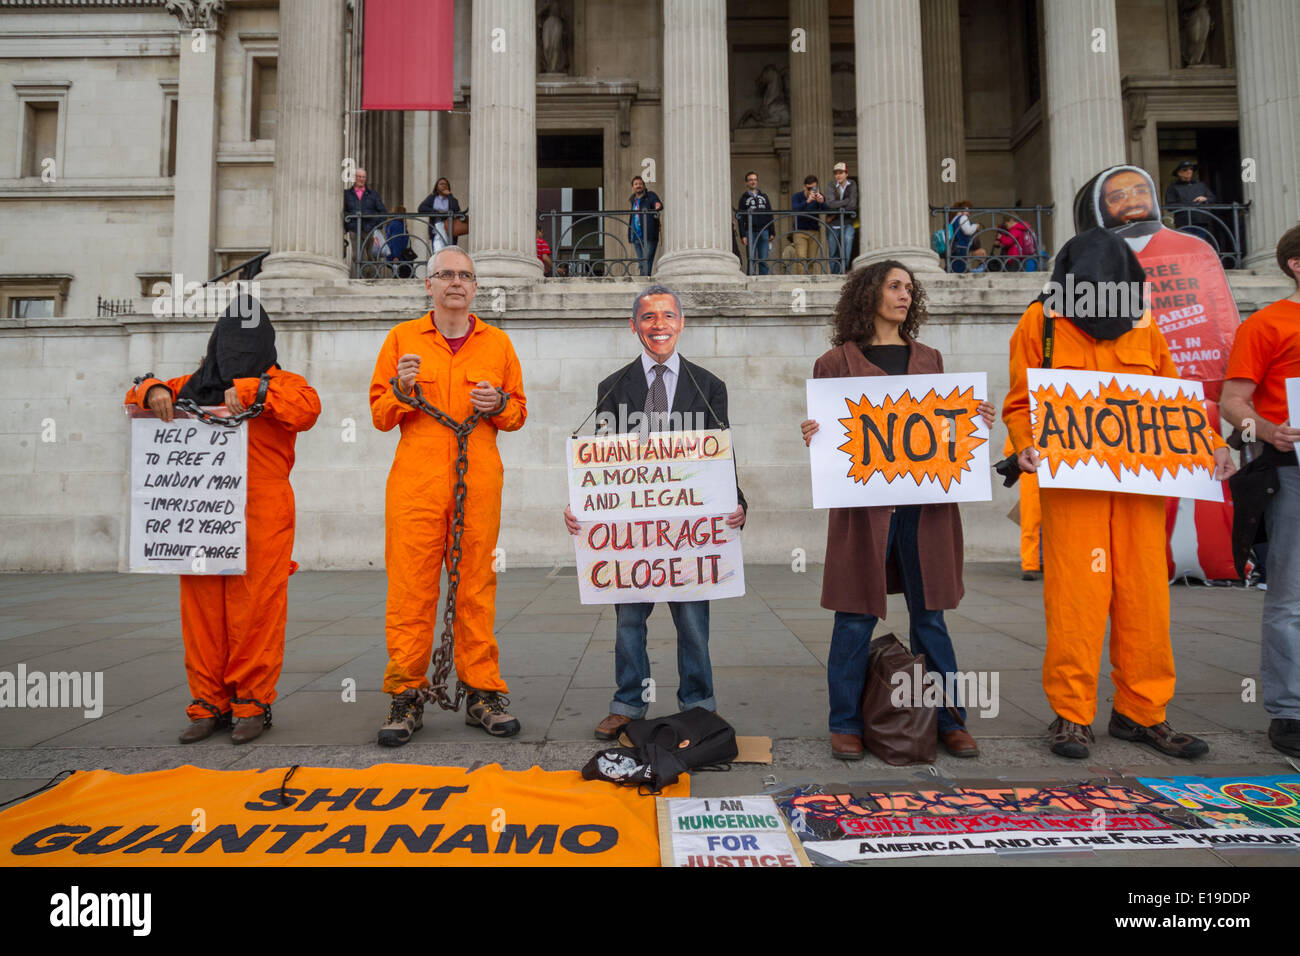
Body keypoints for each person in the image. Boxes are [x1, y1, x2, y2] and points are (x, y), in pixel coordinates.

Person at [1004, 227, 1236, 760]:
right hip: (1075, 485)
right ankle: (1071, 715)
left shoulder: (1145, 324)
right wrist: (1024, 445)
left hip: (1139, 488)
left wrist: (1213, 445)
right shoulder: (1038, 323)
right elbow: (1020, 403)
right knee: (1076, 600)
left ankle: (1142, 712)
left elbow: (1175, 402)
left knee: (1145, 597)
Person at [800, 261, 994, 761]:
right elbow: (834, 448)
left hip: (924, 508)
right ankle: (844, 722)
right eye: (894, 286)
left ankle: (951, 720)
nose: (905, 295)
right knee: (855, 615)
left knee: (930, 617)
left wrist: (975, 421)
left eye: (910, 288)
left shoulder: (929, 357)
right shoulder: (834, 363)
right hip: (864, 512)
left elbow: (946, 433)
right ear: (870, 295)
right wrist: (814, 436)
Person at [125, 295, 321, 744]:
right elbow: (136, 396)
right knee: (202, 616)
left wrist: (255, 389)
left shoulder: (284, 384)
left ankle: (252, 703)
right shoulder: (189, 385)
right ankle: (207, 703)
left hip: (262, 518)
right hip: (200, 516)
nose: (237, 353)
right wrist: (150, 390)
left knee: (257, 612)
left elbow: (308, 409)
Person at [563, 284, 747, 739]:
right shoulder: (612, 387)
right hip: (632, 532)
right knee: (629, 621)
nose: (658, 324)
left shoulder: (709, 387)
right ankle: (628, 704)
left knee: (692, 622)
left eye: (667, 316)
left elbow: (719, 455)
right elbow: (600, 460)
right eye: (648, 317)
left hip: (688, 530)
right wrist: (582, 507)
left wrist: (738, 501)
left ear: (681, 323)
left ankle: (700, 704)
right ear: (634, 326)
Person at [369, 246, 528, 745]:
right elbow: (378, 414)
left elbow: (520, 412)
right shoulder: (402, 339)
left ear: (475, 287)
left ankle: (481, 689)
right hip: (416, 482)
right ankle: (406, 694)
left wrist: (500, 402)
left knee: (475, 586)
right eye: (445, 275)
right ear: (428, 284)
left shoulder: (497, 343)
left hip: (477, 478)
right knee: (411, 589)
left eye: (464, 275)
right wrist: (401, 387)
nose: (455, 282)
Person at [1220, 223, 1300, 757]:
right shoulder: (1267, 325)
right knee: (1291, 595)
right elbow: (1232, 404)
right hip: (1291, 469)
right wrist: (1268, 431)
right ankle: (1290, 711)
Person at [736, 171, 775, 276]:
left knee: (763, 259)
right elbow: (740, 218)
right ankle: (751, 280)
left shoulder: (764, 197)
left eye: (754, 180)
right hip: (750, 231)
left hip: (764, 230)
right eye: (750, 180)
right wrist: (743, 235)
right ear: (746, 183)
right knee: (751, 258)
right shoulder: (743, 199)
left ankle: (763, 280)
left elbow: (770, 214)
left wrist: (772, 232)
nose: (753, 182)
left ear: (757, 182)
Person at [790, 175, 828, 274]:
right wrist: (807, 201)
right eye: (809, 188)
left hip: (814, 231)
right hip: (800, 231)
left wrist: (822, 202)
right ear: (804, 187)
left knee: (812, 260)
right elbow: (795, 209)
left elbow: (828, 210)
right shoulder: (797, 196)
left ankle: (808, 281)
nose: (811, 190)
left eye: (814, 188)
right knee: (801, 258)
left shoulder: (819, 196)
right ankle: (801, 282)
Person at [344, 168, 389, 250]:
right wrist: (347, 226)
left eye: (363, 177)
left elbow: (383, 212)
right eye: (359, 177)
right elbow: (344, 212)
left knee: (369, 257)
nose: (361, 179)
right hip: (354, 229)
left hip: (369, 230)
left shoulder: (373, 194)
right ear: (354, 178)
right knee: (357, 256)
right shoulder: (347, 194)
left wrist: (374, 226)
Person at [824, 162, 857, 274]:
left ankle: (843, 270)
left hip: (847, 222)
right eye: (836, 173)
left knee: (848, 241)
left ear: (846, 174)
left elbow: (853, 204)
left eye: (841, 173)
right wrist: (846, 201)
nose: (838, 175)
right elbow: (830, 204)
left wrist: (834, 213)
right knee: (833, 251)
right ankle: (834, 274)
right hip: (833, 224)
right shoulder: (831, 185)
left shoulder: (852, 184)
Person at [417, 177, 465, 253]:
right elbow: (421, 208)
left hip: (449, 228)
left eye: (446, 184)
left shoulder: (452, 199)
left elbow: (456, 210)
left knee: (450, 252)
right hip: (436, 228)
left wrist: (450, 195)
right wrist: (437, 212)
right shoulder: (432, 198)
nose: (444, 186)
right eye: (441, 184)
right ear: (436, 187)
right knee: (438, 251)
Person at [628, 176, 662, 276]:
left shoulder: (650, 195)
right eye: (636, 184)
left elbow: (657, 203)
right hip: (636, 236)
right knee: (641, 264)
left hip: (649, 235)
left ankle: (643, 284)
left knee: (647, 261)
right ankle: (644, 282)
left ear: (643, 186)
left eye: (640, 184)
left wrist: (658, 206)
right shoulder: (633, 200)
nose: (638, 186)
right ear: (633, 187)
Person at [948, 201, 984, 274]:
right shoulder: (963, 217)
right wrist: (976, 226)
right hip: (962, 246)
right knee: (960, 268)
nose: (968, 213)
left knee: (954, 266)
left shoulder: (954, 219)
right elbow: (968, 231)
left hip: (954, 246)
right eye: (967, 210)